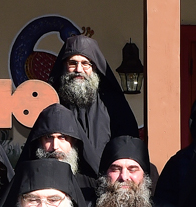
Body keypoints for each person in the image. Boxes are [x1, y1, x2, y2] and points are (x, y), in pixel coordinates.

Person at [46, 34, 140, 175]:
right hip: (61, 182)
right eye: (72, 63)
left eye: (85, 63)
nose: (79, 69)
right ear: (64, 66)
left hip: (103, 183)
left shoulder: (114, 104)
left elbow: (126, 147)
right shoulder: (52, 101)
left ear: (95, 68)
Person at [19, 104, 99, 181]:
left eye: (62, 137)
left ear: (73, 141)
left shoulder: (90, 188)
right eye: (48, 137)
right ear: (40, 141)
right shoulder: (25, 185)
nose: (55, 146)